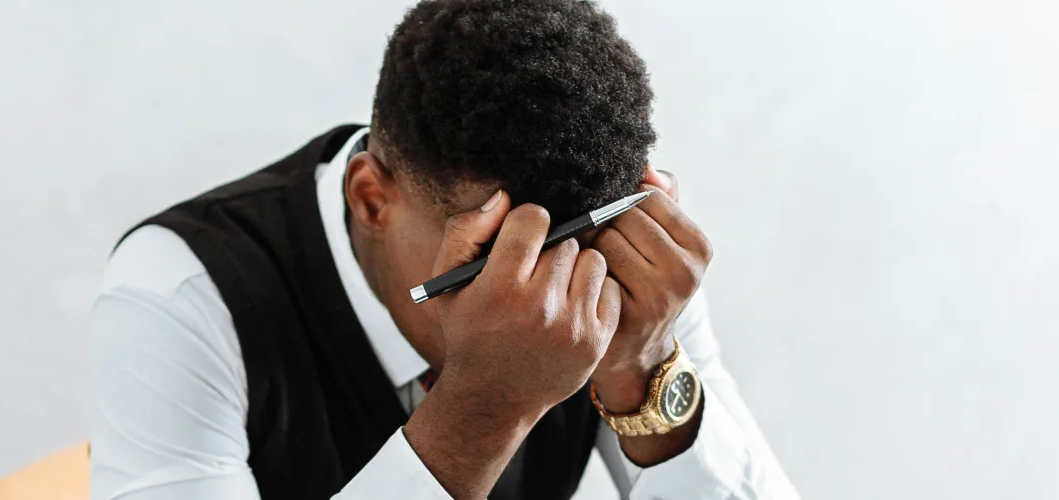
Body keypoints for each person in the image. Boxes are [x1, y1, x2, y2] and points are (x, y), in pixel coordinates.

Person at [89, 0, 800, 498]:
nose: (553, 298)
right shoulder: (178, 293)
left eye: (580, 246)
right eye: (497, 253)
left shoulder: (620, 255)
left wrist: (644, 372)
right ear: (372, 199)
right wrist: (484, 406)